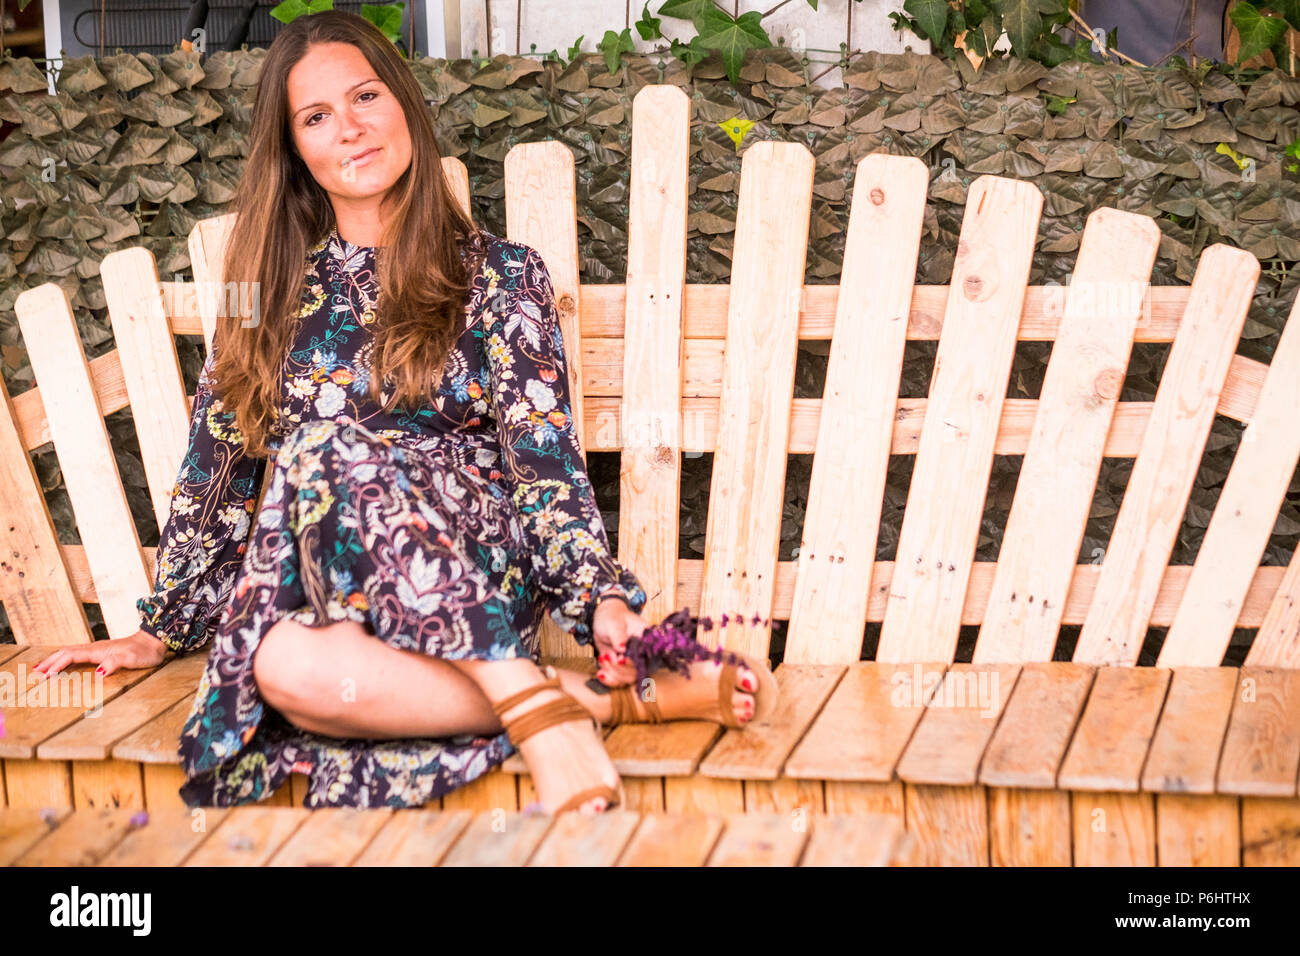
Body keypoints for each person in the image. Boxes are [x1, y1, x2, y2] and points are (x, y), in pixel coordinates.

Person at [34, 10, 761, 813]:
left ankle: (539, 711)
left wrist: (600, 599)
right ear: (296, 151)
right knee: (278, 668)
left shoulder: (501, 276)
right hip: (332, 590)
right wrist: (162, 626)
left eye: (365, 97)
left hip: (468, 574)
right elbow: (219, 465)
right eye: (316, 118)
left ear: (404, 104)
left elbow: (545, 466)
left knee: (322, 449)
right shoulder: (267, 296)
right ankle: (579, 704)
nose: (348, 129)